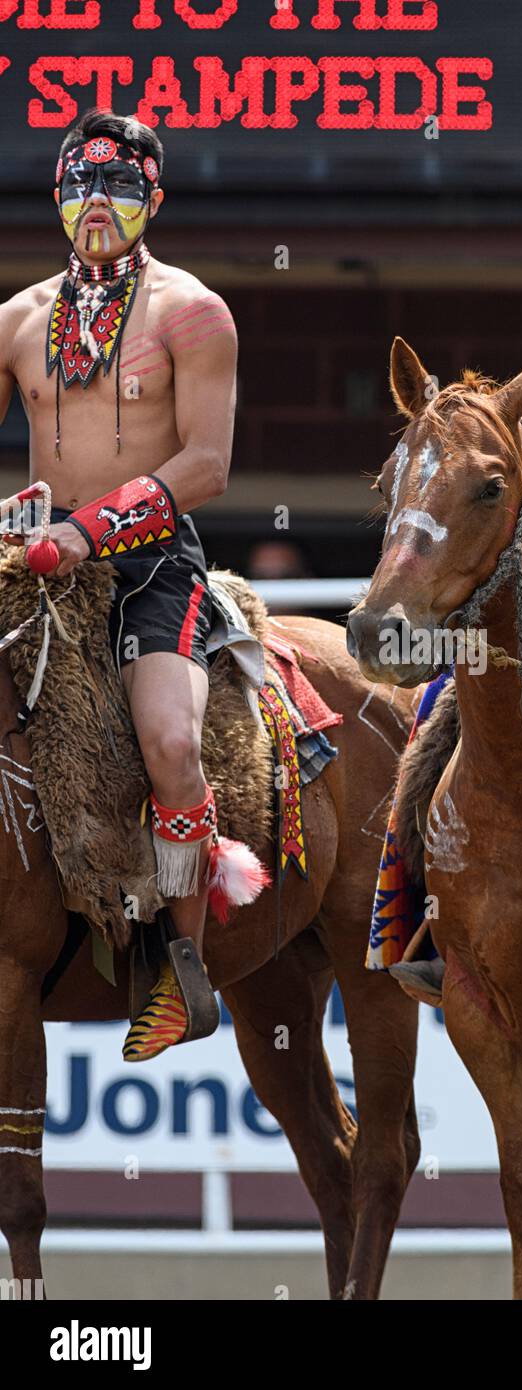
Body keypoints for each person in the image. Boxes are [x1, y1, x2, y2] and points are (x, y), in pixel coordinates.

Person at [0, 108, 267, 1060]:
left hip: (152, 565)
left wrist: (89, 529)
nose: (96, 204)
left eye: (118, 187)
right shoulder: (18, 320)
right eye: (81, 185)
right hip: (32, 564)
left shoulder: (193, 311)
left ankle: (179, 969)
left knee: (168, 740)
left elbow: (207, 464)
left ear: (153, 197)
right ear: (58, 195)